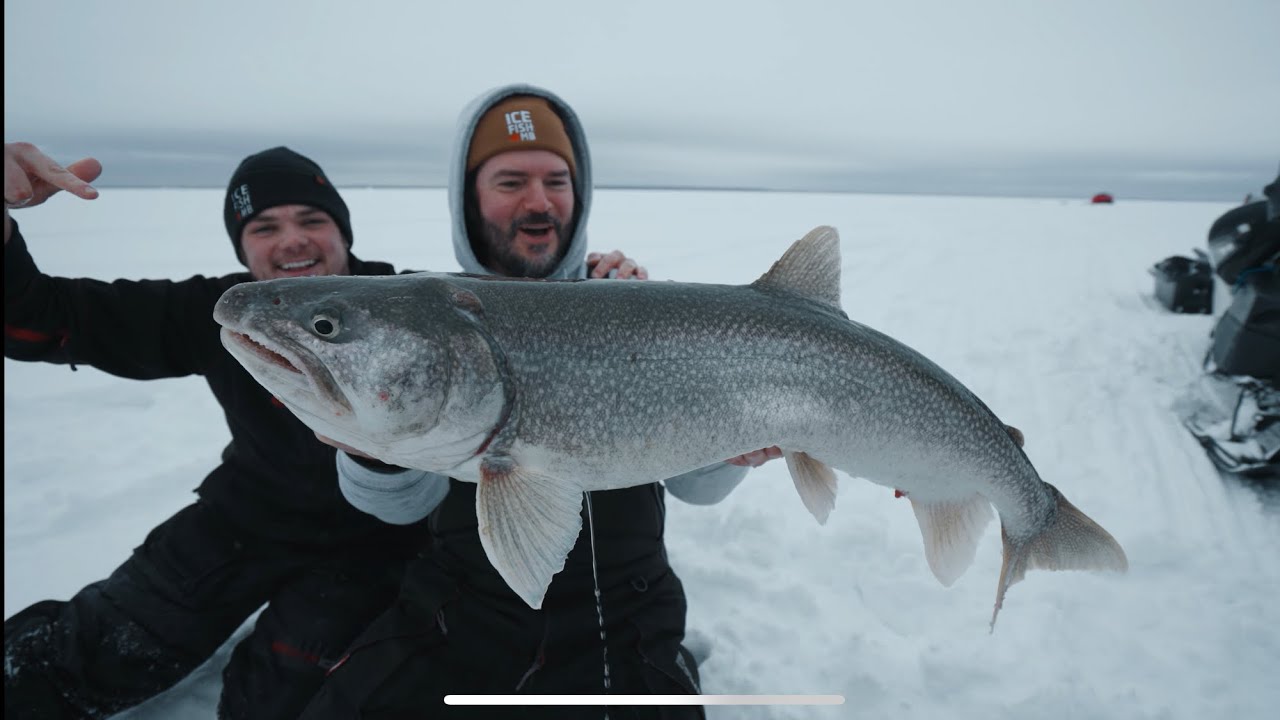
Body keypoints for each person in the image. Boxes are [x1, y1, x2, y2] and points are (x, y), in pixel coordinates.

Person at [3, 142, 649, 719]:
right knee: (93, 647)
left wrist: (602, 303)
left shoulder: (406, 307)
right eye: (265, 226)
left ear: (342, 232)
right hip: (245, 518)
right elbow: (47, 321)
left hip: (369, 549)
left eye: (312, 220)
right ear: (241, 245)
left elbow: (515, 323)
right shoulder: (234, 313)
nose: (294, 241)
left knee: (277, 696)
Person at [299, 84, 780, 719]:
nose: (538, 201)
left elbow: (701, 489)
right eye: (509, 181)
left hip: (627, 627)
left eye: (556, 179)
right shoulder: (420, 317)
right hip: (459, 618)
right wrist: (373, 439)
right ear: (468, 198)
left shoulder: (640, 306)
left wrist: (733, 430)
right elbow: (396, 507)